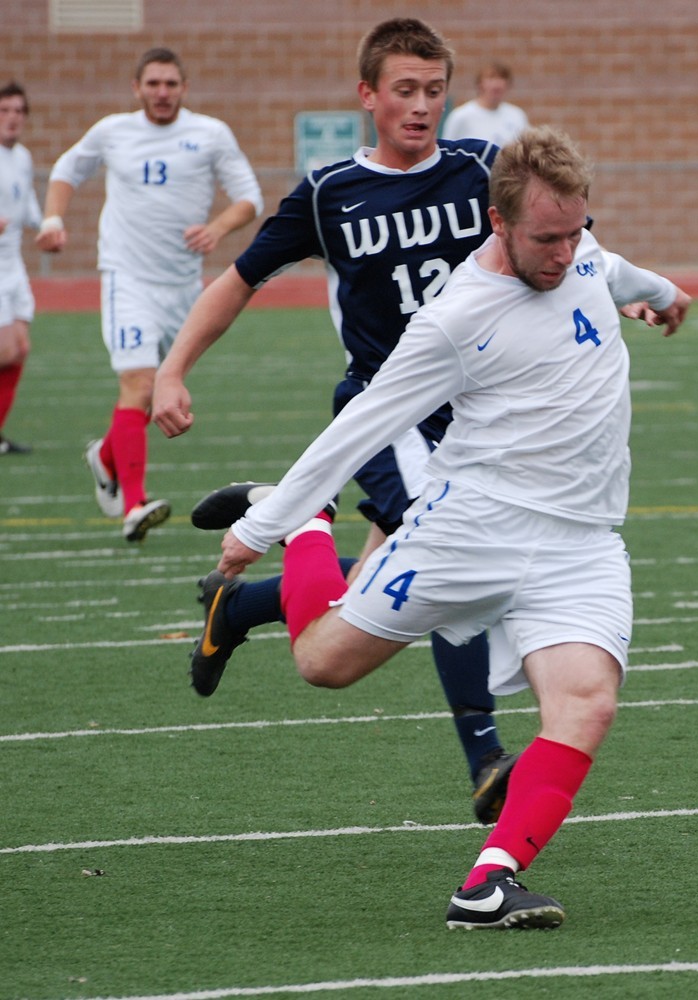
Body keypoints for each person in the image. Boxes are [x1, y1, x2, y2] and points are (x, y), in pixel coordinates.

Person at [199, 125, 691, 929]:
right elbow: (360, 425)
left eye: (576, 232)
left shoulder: (582, 253)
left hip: (583, 543)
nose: (566, 254)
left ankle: (488, 882)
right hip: (472, 527)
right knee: (322, 662)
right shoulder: (455, 319)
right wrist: (266, 523)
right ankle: (312, 532)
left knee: (586, 705)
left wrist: (664, 294)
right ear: (499, 224)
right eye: (547, 239)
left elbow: (613, 267)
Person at [151, 18, 519, 825]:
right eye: (405, 91)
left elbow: (568, 244)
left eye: (433, 91)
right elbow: (239, 280)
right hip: (381, 412)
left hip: (473, 421)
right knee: (449, 555)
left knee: (365, 607)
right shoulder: (331, 191)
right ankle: (486, 754)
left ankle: (242, 598)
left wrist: (634, 288)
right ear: (368, 96)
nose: (421, 107)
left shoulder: (483, 170)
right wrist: (172, 369)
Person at [38, 49, 263, 540]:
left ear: (184, 88)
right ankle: (133, 505)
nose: (162, 92)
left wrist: (218, 227)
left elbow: (250, 197)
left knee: (153, 392)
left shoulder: (210, 134)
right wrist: (54, 219)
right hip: (127, 278)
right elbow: (66, 170)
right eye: (153, 83)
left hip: (183, 286)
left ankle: (105, 456)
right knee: (140, 385)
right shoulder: (112, 131)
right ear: (136, 87)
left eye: (171, 84)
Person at [0, 81, 41, 455]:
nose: (12, 118)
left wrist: (46, 228)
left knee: (19, 348)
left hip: (13, 265)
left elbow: (27, 206)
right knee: (4, 350)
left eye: (18, 111)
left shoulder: (22, 157)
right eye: (5, 110)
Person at [440, 62, 529, 147]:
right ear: (480, 84)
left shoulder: (517, 115)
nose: (496, 85)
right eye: (491, 78)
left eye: (501, 79)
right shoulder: (461, 116)